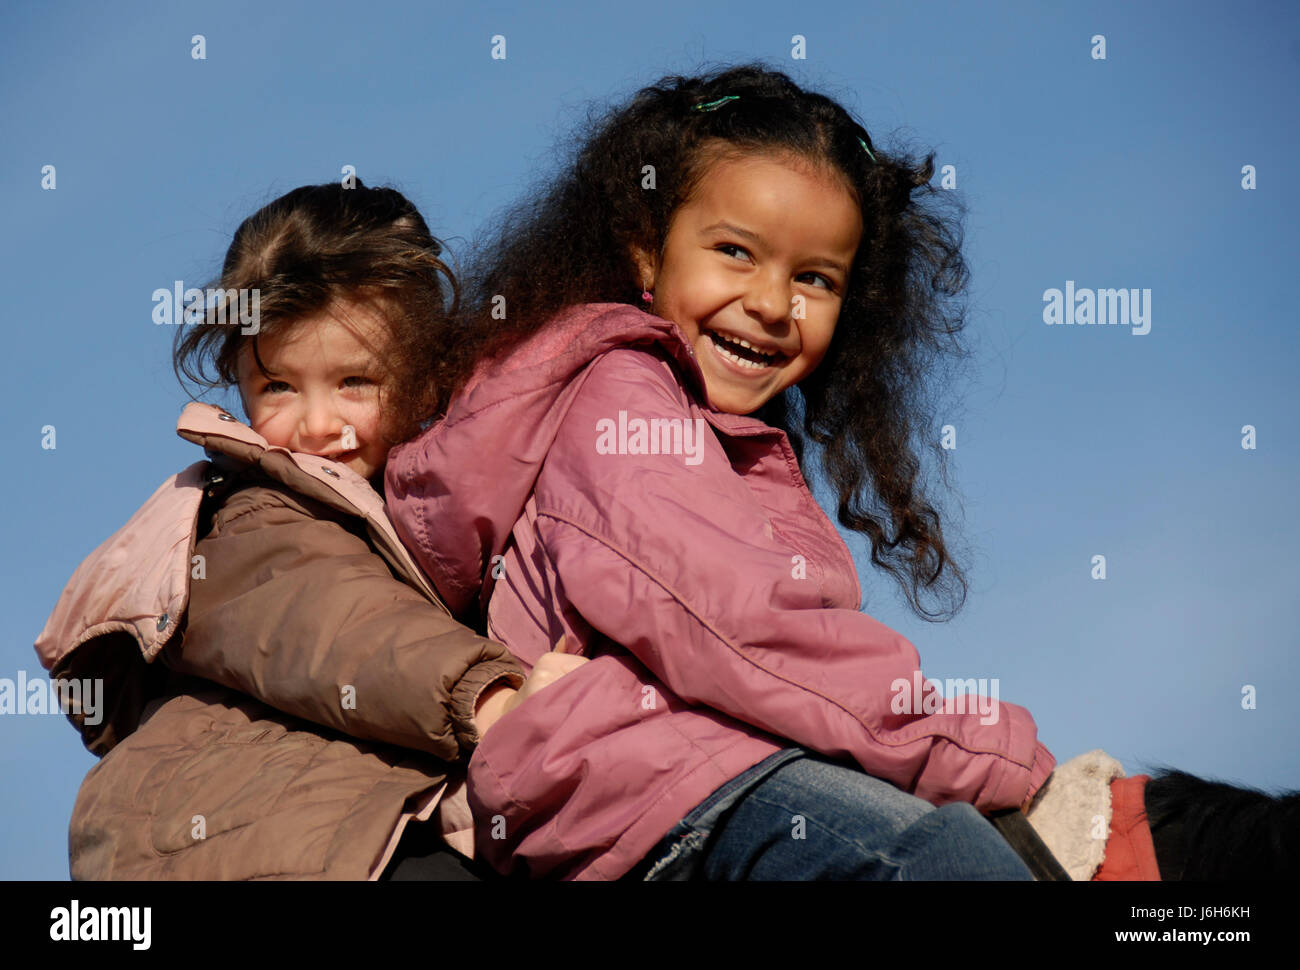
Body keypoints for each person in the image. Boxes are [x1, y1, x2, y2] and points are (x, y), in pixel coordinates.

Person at [384, 63, 1055, 881]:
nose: (774, 303)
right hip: (647, 786)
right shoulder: (620, 390)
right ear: (645, 250)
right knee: (938, 860)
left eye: (815, 278)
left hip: (691, 776)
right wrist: (990, 751)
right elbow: (745, 630)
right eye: (735, 252)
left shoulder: (728, 433)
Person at [33, 179, 584, 880]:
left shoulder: (414, 508)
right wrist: (491, 698)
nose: (318, 425)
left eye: (356, 381)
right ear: (238, 380)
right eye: (279, 388)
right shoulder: (249, 510)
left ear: (426, 373)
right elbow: (337, 626)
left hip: (335, 824)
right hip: (233, 837)